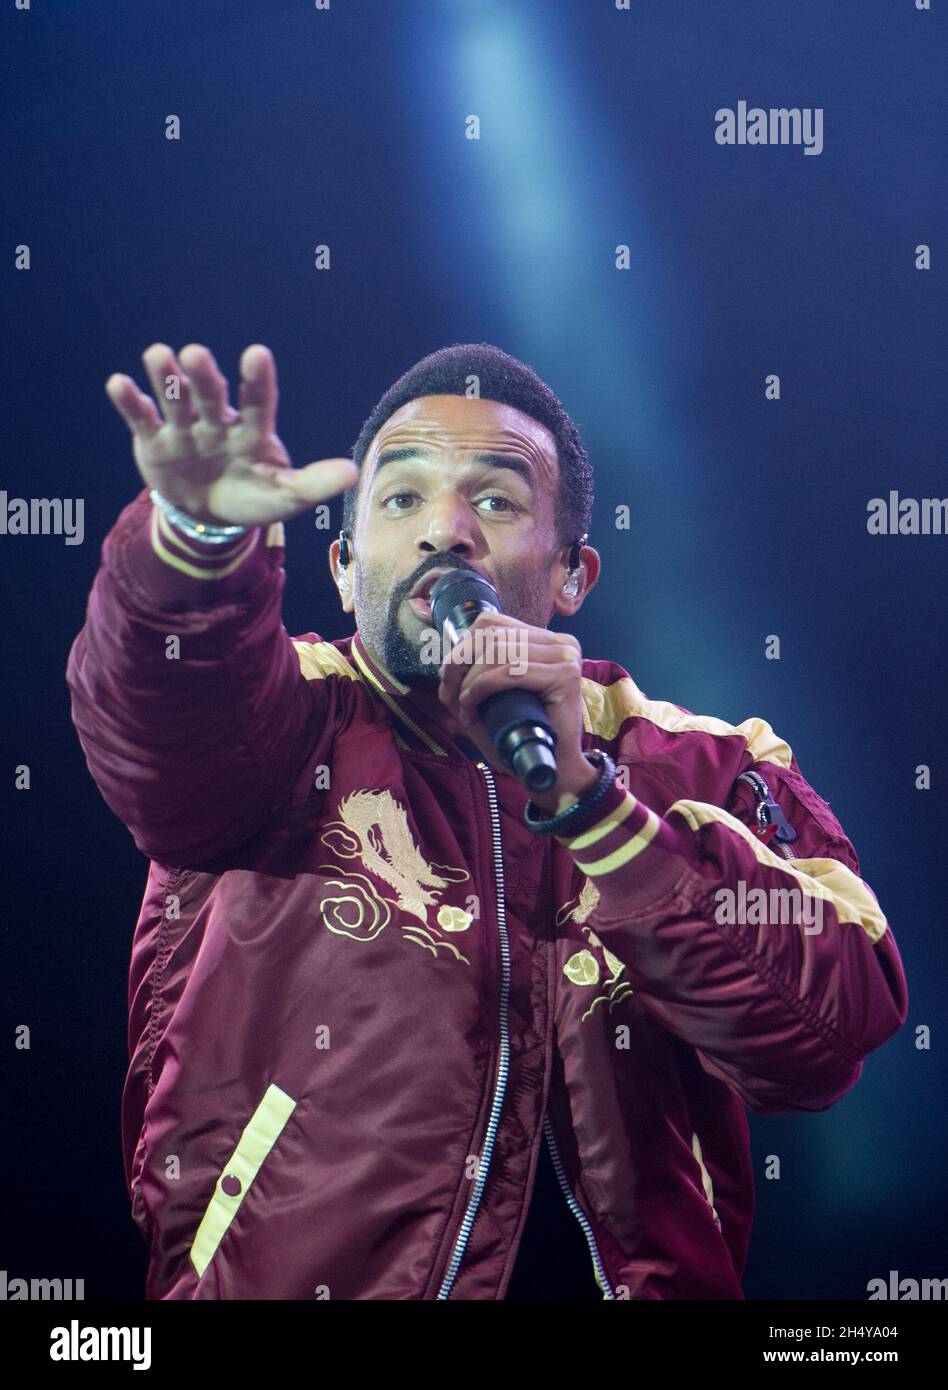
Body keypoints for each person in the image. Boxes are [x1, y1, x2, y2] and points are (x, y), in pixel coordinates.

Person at [67, 340, 908, 1301]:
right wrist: (192, 544)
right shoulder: (281, 722)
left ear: (570, 576)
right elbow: (152, 714)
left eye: (497, 501)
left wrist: (593, 805)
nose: (447, 531)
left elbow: (830, 1034)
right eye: (403, 498)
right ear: (343, 569)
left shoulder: (705, 766)